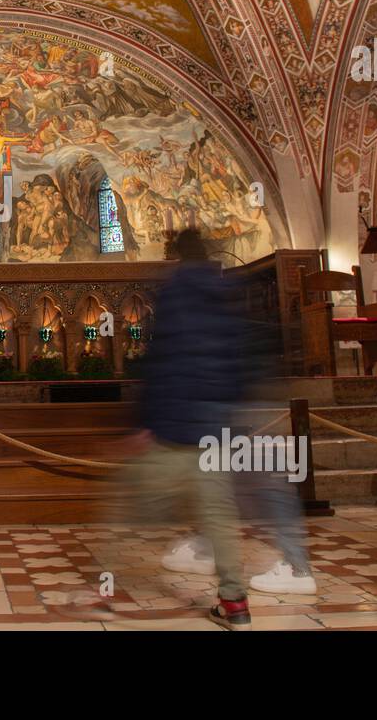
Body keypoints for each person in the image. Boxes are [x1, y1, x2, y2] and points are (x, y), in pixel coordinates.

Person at [119, 229, 261, 629]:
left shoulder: (174, 293)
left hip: (176, 422)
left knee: (129, 498)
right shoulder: (227, 292)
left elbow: (161, 358)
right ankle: (235, 604)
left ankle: (104, 590)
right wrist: (235, 410)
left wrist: (142, 421)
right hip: (216, 420)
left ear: (176, 255)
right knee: (219, 512)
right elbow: (241, 356)